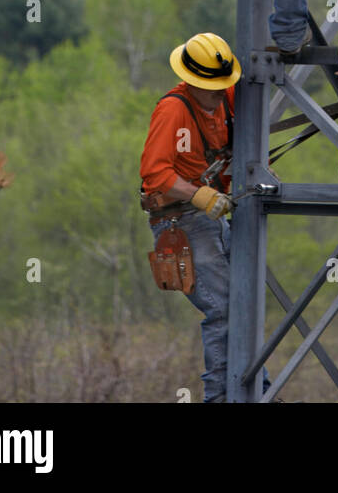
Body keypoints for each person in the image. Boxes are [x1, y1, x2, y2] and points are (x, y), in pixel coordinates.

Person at [139, 33, 241, 404]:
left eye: (222, 88)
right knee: (224, 308)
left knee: (242, 304)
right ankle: (221, 397)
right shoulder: (173, 109)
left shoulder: (226, 97)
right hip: (179, 221)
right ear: (193, 81)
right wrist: (198, 194)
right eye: (212, 90)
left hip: (211, 217)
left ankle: (254, 391)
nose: (219, 95)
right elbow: (155, 172)